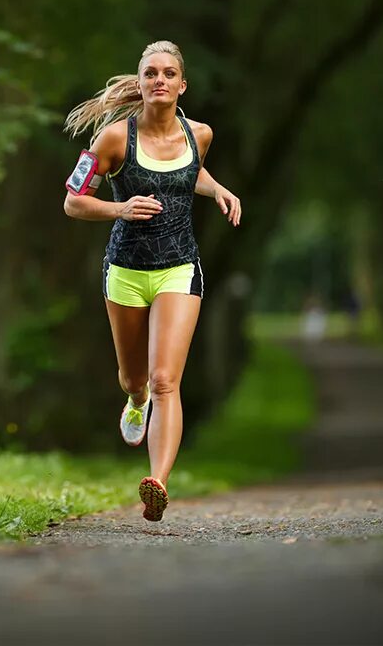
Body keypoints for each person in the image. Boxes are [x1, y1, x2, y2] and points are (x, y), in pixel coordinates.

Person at [62, 40, 241, 522]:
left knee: (167, 380)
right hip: (124, 269)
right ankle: (134, 400)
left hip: (180, 267)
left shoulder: (199, 134)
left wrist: (217, 188)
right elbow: (74, 202)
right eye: (150, 74)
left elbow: (189, 173)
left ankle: (156, 482)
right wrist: (120, 208)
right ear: (139, 84)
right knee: (135, 378)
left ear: (182, 85)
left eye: (168, 74)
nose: (159, 80)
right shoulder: (114, 140)